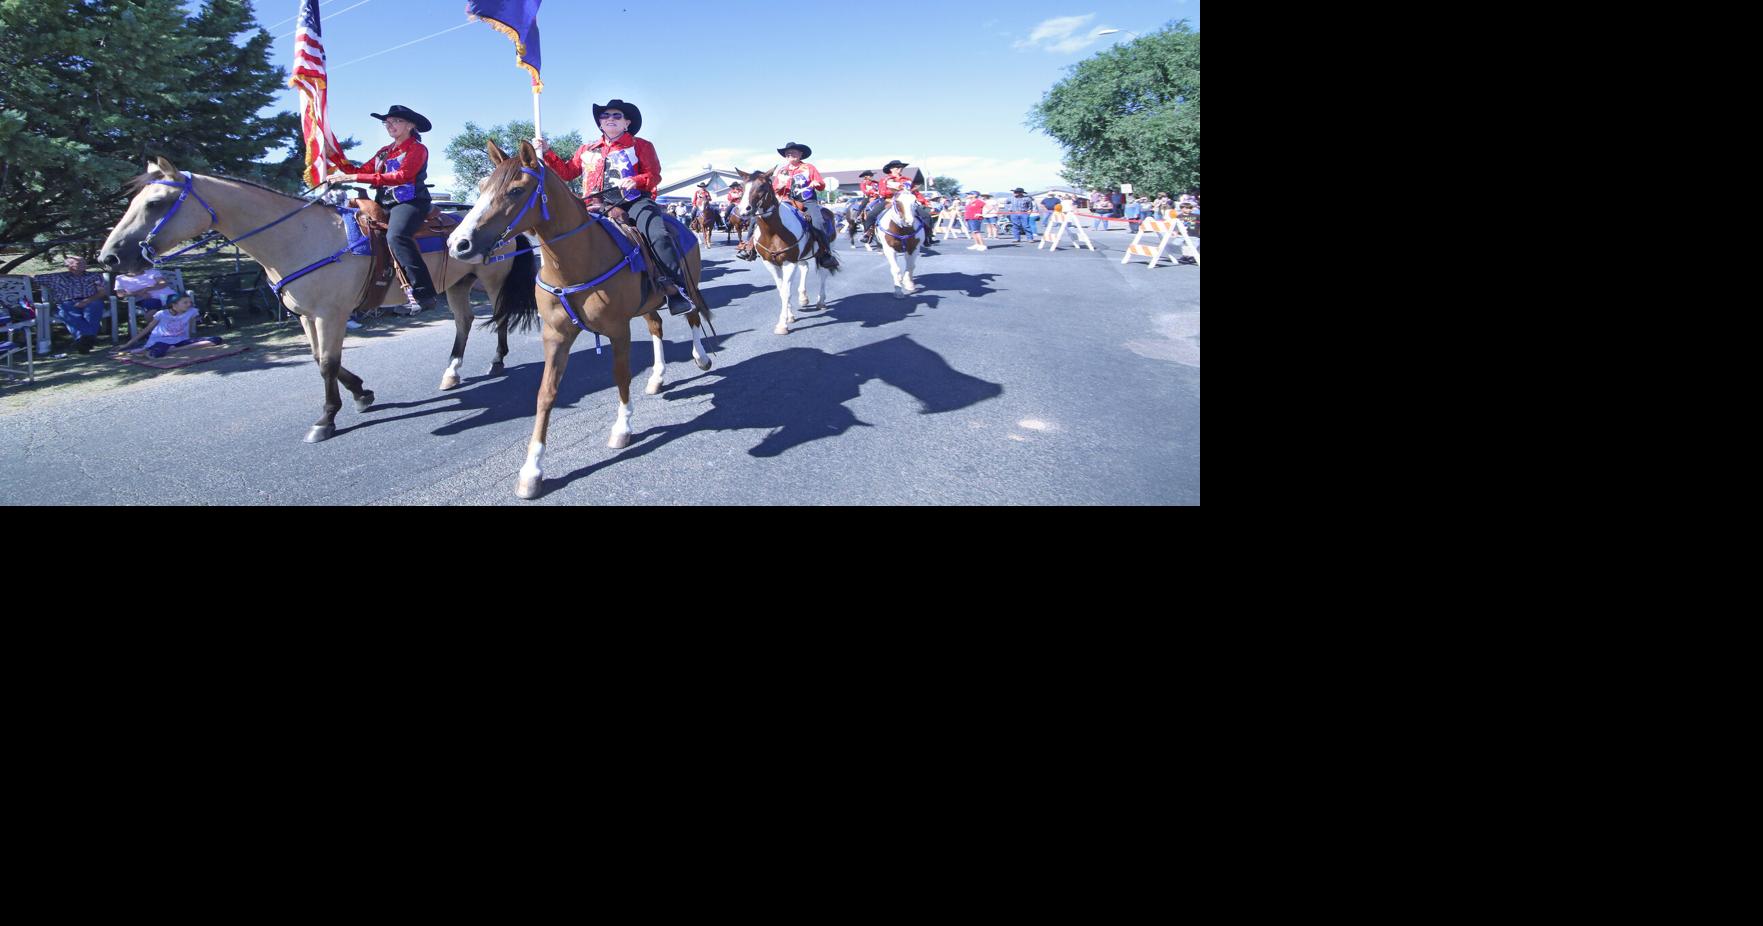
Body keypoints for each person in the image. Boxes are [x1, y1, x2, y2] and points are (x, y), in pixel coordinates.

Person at [534, 98, 700, 315]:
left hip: (632, 201)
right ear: (600, 123)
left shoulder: (641, 146)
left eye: (616, 116)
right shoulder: (586, 149)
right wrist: (547, 152)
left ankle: (674, 288)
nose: (610, 119)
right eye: (605, 116)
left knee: (658, 234)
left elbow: (654, 175)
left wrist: (637, 180)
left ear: (627, 123)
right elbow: (567, 172)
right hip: (591, 204)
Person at [325, 105, 441, 314]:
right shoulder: (384, 152)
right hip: (384, 202)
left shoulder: (417, 149)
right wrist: (333, 154)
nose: (389, 125)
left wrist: (355, 178)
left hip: (410, 203)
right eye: (387, 122)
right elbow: (357, 170)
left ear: (410, 125)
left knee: (397, 236)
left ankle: (425, 294)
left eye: (395, 121)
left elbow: (402, 176)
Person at [115, 292, 223, 358]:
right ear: (174, 305)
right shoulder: (162, 314)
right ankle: (148, 349)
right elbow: (147, 329)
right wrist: (127, 344)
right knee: (155, 354)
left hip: (180, 341)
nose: (189, 304)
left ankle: (173, 350)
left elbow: (190, 327)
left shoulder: (192, 312)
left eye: (189, 302)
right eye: (185, 302)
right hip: (161, 341)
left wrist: (189, 339)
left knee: (216, 340)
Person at [42, 255, 110, 354]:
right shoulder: (56, 277)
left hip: (91, 300)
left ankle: (82, 340)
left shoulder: (94, 275)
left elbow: (102, 292)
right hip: (67, 302)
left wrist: (86, 301)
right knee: (66, 312)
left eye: (84, 262)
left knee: (94, 308)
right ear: (69, 266)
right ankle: (87, 339)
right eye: (79, 263)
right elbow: (31, 279)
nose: (84, 265)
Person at [770, 142, 832, 242]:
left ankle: (825, 250)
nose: (790, 155)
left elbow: (821, 185)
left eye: (793, 152)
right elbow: (773, 189)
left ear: (800, 154)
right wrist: (780, 186)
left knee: (818, 222)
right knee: (765, 218)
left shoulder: (809, 167)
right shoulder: (782, 171)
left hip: (807, 201)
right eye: (788, 154)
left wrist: (817, 183)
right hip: (786, 202)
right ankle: (750, 247)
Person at [864, 161, 935, 247]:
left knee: (926, 216)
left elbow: (915, 192)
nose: (900, 169)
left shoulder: (907, 180)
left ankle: (928, 237)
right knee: (871, 215)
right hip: (889, 201)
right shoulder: (885, 180)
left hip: (906, 202)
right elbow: (882, 192)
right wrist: (897, 189)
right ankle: (868, 234)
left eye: (901, 167)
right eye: (897, 168)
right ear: (891, 169)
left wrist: (925, 202)